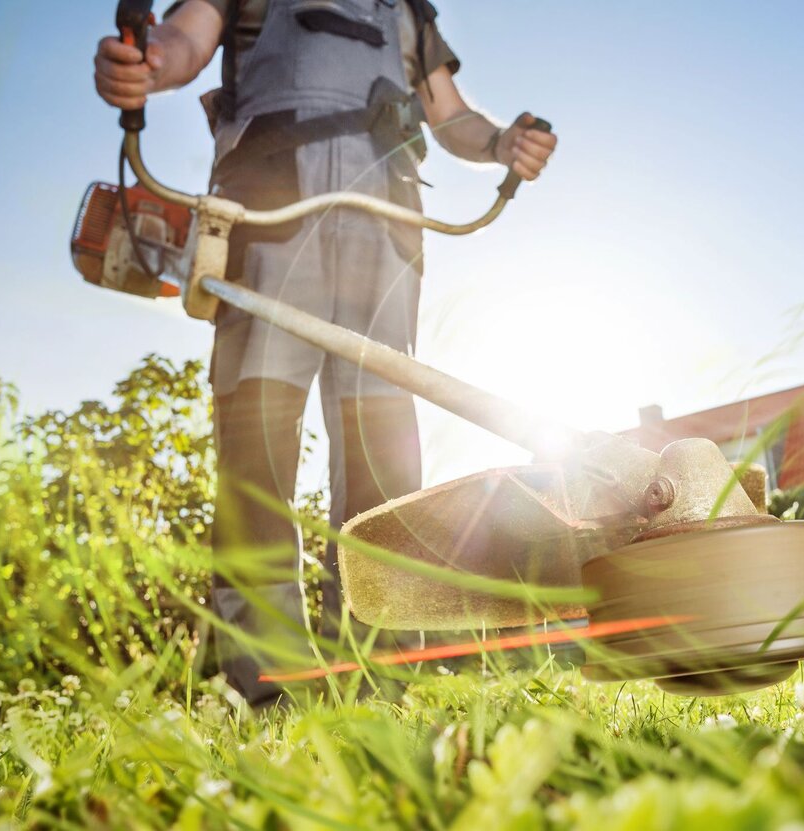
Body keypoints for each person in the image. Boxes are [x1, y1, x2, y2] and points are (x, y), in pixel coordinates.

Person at [93, 0, 558, 706]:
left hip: (387, 218)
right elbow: (183, 40)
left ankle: (383, 683)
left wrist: (501, 144)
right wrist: (148, 66)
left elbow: (450, 113)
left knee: (386, 458)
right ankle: (268, 691)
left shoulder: (407, 10)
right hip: (271, 205)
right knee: (258, 448)